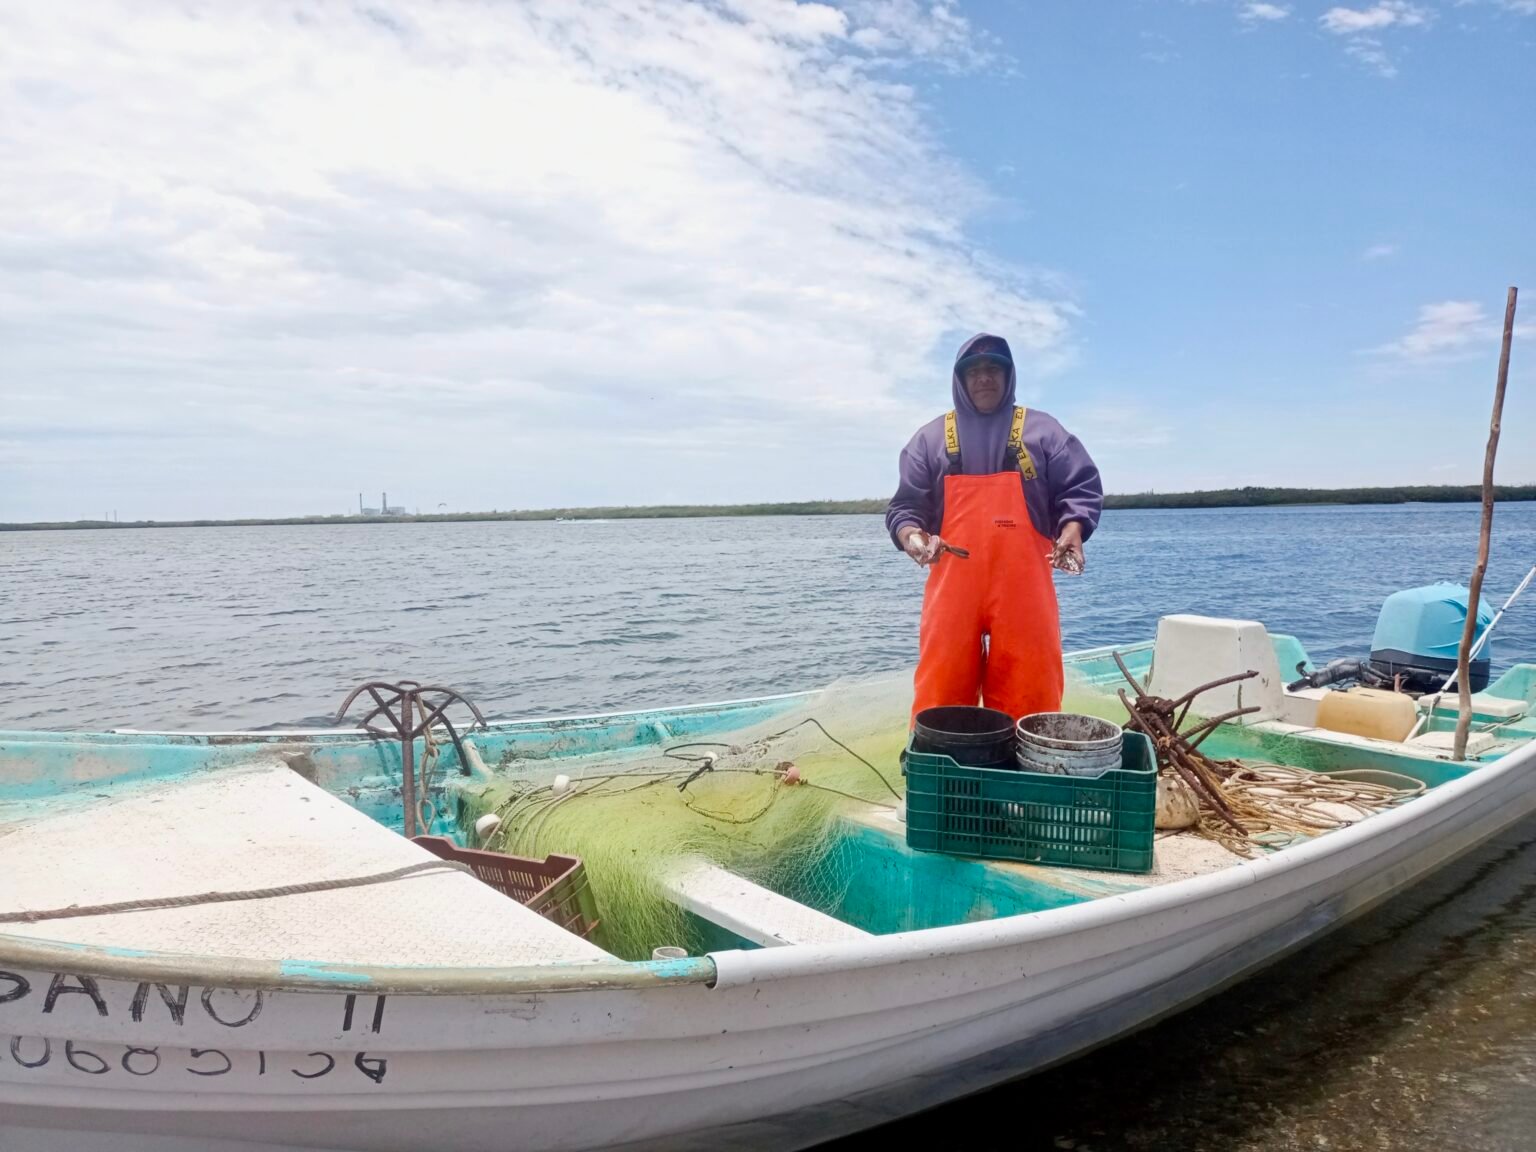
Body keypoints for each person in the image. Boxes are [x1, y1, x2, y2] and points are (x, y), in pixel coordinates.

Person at [886, 332, 1103, 723]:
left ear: (1009, 375)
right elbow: (905, 507)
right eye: (973, 371)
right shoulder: (930, 440)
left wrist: (1074, 526)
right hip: (953, 588)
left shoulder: (1044, 432)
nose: (984, 378)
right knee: (941, 695)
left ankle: (1029, 756)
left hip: (1024, 590)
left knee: (1032, 695)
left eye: (993, 369)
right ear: (960, 379)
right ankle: (944, 755)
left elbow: (1080, 487)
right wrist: (912, 537)